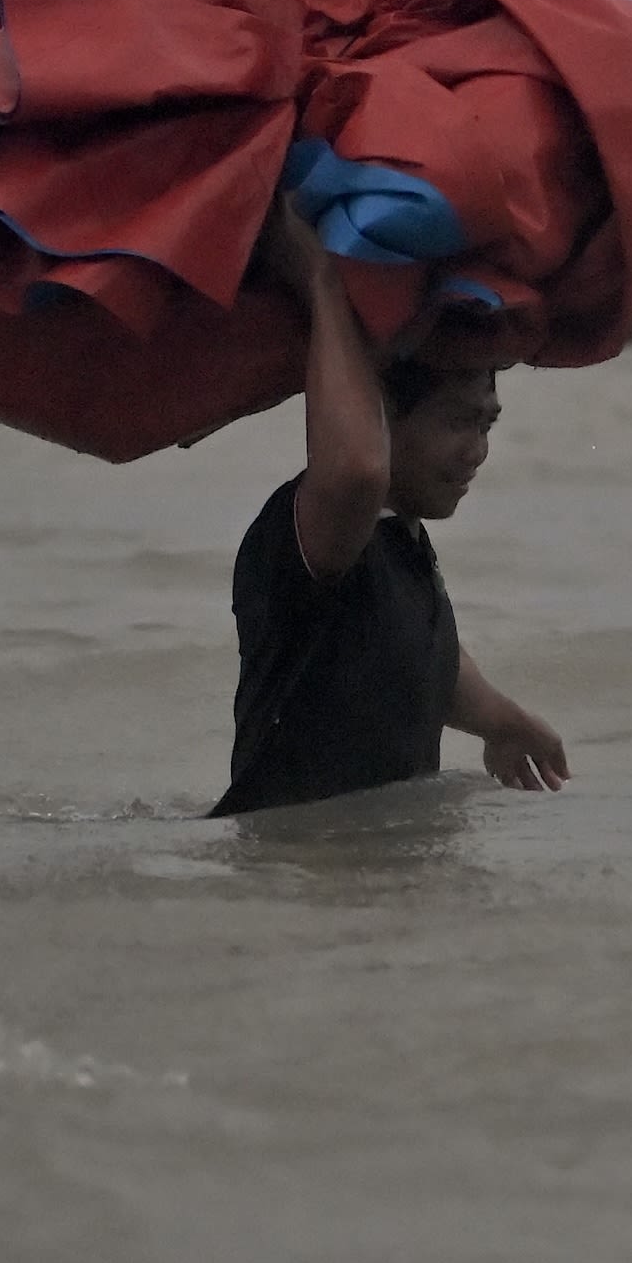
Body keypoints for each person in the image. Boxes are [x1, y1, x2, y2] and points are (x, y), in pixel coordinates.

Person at [211, 193, 571, 816]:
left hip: (361, 880)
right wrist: (322, 280)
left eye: (488, 425)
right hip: (293, 884)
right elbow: (355, 469)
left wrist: (501, 721)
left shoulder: (398, 540)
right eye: (459, 423)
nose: (478, 451)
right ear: (381, 415)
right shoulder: (313, 536)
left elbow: (419, 655)